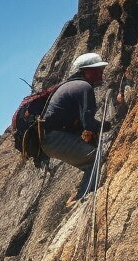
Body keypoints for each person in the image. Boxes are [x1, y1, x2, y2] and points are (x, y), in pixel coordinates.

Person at [41, 52, 110, 200]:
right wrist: (111, 125)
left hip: (50, 139)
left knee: (88, 160)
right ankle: (86, 196)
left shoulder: (71, 86)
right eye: (98, 69)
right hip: (55, 138)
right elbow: (88, 123)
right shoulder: (83, 87)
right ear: (87, 71)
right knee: (95, 158)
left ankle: (84, 192)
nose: (101, 72)